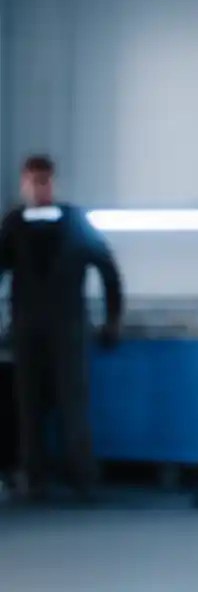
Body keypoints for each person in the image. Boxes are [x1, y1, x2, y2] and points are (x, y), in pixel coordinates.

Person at [0, 154, 124, 503]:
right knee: (28, 406)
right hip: (26, 328)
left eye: (46, 180)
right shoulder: (14, 225)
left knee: (73, 404)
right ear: (24, 184)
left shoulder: (74, 222)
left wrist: (113, 318)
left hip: (67, 327)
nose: (40, 187)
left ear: (54, 182)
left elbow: (109, 270)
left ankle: (83, 480)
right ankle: (34, 478)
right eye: (33, 181)